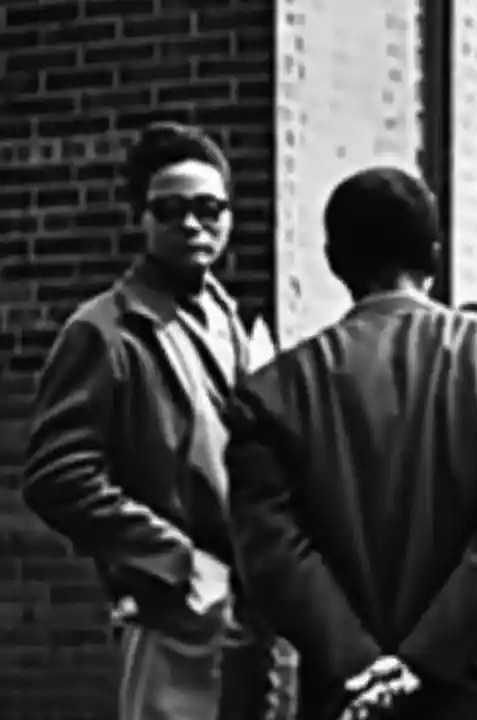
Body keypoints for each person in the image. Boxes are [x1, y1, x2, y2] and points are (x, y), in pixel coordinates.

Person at [223, 166, 477, 719]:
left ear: (335, 261)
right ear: (434, 254)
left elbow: (274, 555)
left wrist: (360, 663)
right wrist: (424, 659)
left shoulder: (272, 394)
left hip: (345, 699)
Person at [23, 122, 286, 719]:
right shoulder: (104, 332)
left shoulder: (231, 323)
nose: (192, 224)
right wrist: (177, 564)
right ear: (141, 220)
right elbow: (58, 478)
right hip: (174, 616)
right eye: (169, 210)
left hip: (251, 616)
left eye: (208, 208)